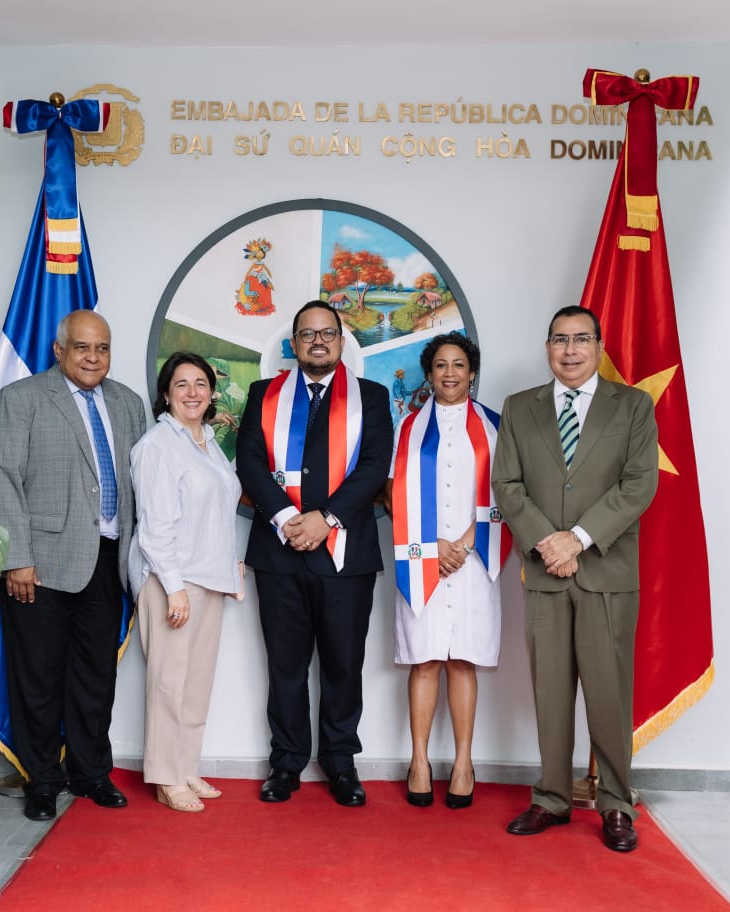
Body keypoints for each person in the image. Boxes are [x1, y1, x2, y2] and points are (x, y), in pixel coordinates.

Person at [492, 304, 658, 852]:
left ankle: (615, 803)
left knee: (609, 695)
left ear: (598, 345)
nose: (570, 350)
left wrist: (578, 539)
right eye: (560, 339)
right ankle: (551, 798)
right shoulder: (520, 408)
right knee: (551, 693)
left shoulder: (632, 405)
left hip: (605, 572)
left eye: (580, 339)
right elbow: (508, 485)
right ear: (547, 347)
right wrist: (548, 542)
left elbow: (639, 485)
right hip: (546, 573)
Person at [0, 309, 148, 822]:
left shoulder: (127, 403)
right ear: (59, 350)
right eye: (82, 347)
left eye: (101, 348)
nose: (93, 357)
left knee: (96, 676)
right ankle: (42, 781)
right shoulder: (23, 398)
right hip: (39, 563)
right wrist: (16, 559)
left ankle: (91, 773)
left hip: (107, 559)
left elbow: (140, 486)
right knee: (38, 676)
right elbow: (4, 480)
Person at [236, 300, 392, 807]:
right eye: (307, 334)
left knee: (343, 664)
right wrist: (287, 519)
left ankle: (341, 762)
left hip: (345, 554)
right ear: (294, 344)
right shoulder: (265, 394)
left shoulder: (371, 395)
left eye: (327, 333)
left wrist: (324, 519)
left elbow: (373, 467)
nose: (318, 341)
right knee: (284, 665)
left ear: (342, 342)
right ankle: (286, 763)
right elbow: (251, 463)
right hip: (280, 552)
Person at [387, 332, 511, 810]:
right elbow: (393, 493)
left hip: (476, 560)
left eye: (459, 365)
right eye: (440, 365)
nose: (450, 374)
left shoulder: (497, 426)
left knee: (463, 659)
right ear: (430, 373)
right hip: (422, 556)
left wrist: (464, 543)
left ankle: (463, 762)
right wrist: (434, 546)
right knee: (424, 659)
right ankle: (419, 760)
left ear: (473, 371)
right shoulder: (408, 426)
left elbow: (507, 492)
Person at [129, 352, 243, 813]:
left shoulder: (207, 442)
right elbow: (154, 526)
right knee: (168, 683)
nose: (193, 392)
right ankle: (165, 775)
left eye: (201, 383)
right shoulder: (158, 445)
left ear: (212, 392)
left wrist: (230, 569)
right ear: (166, 393)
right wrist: (173, 586)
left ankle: (186, 766)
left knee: (196, 682)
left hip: (208, 578)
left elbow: (216, 515)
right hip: (171, 581)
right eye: (182, 384)